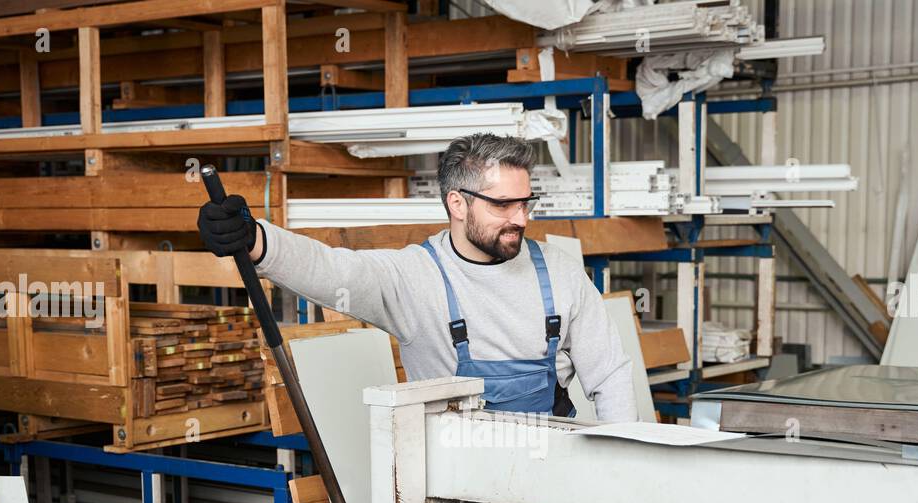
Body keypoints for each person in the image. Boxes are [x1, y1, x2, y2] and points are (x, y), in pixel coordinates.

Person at [197, 133, 638, 421]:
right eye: (503, 205)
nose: (520, 218)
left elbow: (610, 375)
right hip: (459, 492)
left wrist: (622, 475)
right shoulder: (415, 278)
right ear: (457, 204)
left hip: (551, 476)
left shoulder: (559, 271)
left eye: (526, 202)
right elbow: (333, 271)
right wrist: (255, 239)